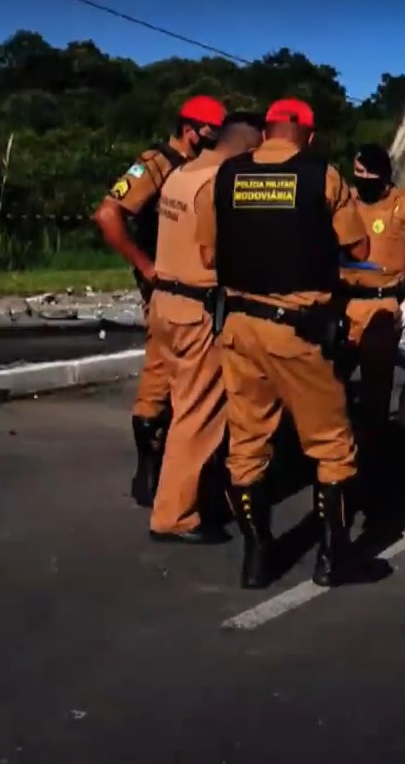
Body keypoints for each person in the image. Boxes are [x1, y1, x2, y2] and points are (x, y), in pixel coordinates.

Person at [196, 98, 370, 589]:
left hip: (239, 328)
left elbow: (207, 252)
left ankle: (257, 557)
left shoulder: (226, 175)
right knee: (332, 444)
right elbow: (360, 249)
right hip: (298, 329)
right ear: (308, 137)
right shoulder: (322, 175)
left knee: (246, 444)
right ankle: (334, 559)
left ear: (267, 130)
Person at [92, 95, 227, 510]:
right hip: (168, 290)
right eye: (211, 133)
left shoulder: (196, 169)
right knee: (178, 386)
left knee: (161, 381)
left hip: (184, 290)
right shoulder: (154, 164)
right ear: (190, 129)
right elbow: (107, 213)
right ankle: (162, 479)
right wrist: (145, 265)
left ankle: (160, 479)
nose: (216, 140)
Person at [147, 113, 264, 545]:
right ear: (250, 146)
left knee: (182, 406)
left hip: (165, 300)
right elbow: (213, 255)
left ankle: (182, 493)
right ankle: (174, 515)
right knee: (198, 415)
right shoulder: (220, 183)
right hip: (198, 306)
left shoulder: (182, 171)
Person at [341, 143, 405, 491]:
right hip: (344, 302)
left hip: (382, 305)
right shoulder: (346, 200)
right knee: (331, 382)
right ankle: (337, 453)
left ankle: (372, 464)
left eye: (367, 174)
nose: (360, 180)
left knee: (375, 389)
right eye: (357, 172)